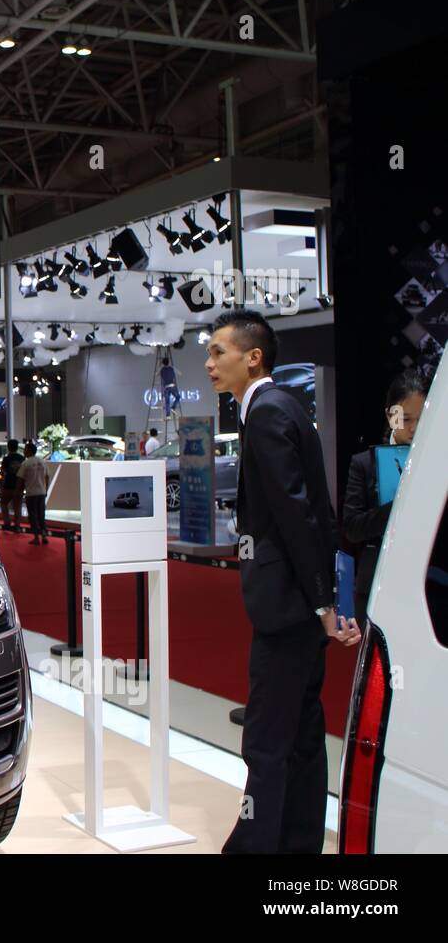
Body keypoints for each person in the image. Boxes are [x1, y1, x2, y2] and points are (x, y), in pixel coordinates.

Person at [204, 308, 361, 854]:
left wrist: (322, 602)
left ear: (253, 357)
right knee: (301, 736)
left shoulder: (268, 412)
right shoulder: (282, 407)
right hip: (299, 605)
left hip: (287, 606)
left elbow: (298, 515)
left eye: (218, 352)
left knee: (268, 740)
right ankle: (298, 846)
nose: (209, 363)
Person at [343, 369, 427, 624]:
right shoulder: (365, 463)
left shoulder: (438, 463)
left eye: (421, 420)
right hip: (378, 582)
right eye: (405, 419)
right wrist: (400, 506)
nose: (412, 429)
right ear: (391, 415)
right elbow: (352, 528)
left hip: (429, 581)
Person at [15, 440, 48, 545]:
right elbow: (47, 476)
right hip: (41, 492)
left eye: (25, 450)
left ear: (29, 451)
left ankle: (36, 537)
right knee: (41, 515)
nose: (24, 451)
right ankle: (44, 535)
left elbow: (20, 479)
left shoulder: (26, 463)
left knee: (33, 516)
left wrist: (17, 491)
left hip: (31, 493)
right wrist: (45, 488)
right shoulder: (42, 462)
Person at [0, 439, 24, 531]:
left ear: (8, 447)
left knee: (3, 504)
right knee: (17, 506)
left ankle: (7, 523)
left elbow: (2, 472)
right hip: (19, 485)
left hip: (8, 485)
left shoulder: (6, 458)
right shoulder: (22, 458)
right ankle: (17, 525)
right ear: (17, 447)